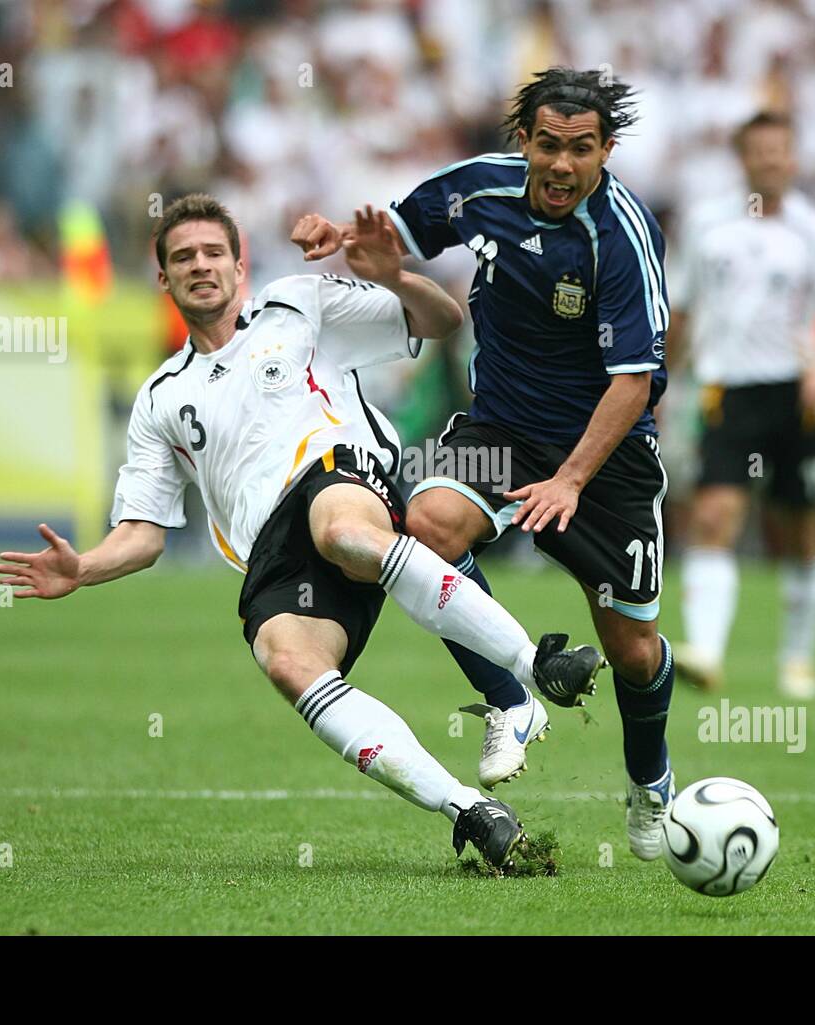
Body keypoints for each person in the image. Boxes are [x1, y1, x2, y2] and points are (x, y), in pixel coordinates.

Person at [0, 193, 603, 869]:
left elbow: (441, 318)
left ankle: (535, 662)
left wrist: (395, 276)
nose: (200, 265)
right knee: (287, 662)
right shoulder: (161, 397)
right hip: (273, 553)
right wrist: (83, 570)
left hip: (340, 476)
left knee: (341, 528)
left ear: (238, 263)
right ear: (163, 279)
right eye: (183, 257)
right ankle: (471, 811)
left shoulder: (297, 303)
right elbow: (144, 532)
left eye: (212, 253)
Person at [292, 68, 677, 863]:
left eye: (580, 149)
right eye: (547, 145)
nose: (561, 164)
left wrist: (571, 478)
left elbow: (633, 380)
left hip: (603, 454)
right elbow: (394, 233)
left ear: (606, 149)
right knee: (423, 526)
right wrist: (351, 246)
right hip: (499, 429)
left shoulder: (624, 236)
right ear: (524, 142)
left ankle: (651, 782)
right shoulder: (480, 190)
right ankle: (511, 698)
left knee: (633, 651)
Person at [666, 111, 815, 700]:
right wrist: (660, 383)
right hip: (727, 391)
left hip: (795, 393)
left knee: (801, 528)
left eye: (780, 151)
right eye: (760, 151)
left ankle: (798, 659)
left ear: (794, 158)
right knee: (713, 516)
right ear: (742, 158)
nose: (771, 161)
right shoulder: (707, 225)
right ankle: (705, 651)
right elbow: (680, 311)